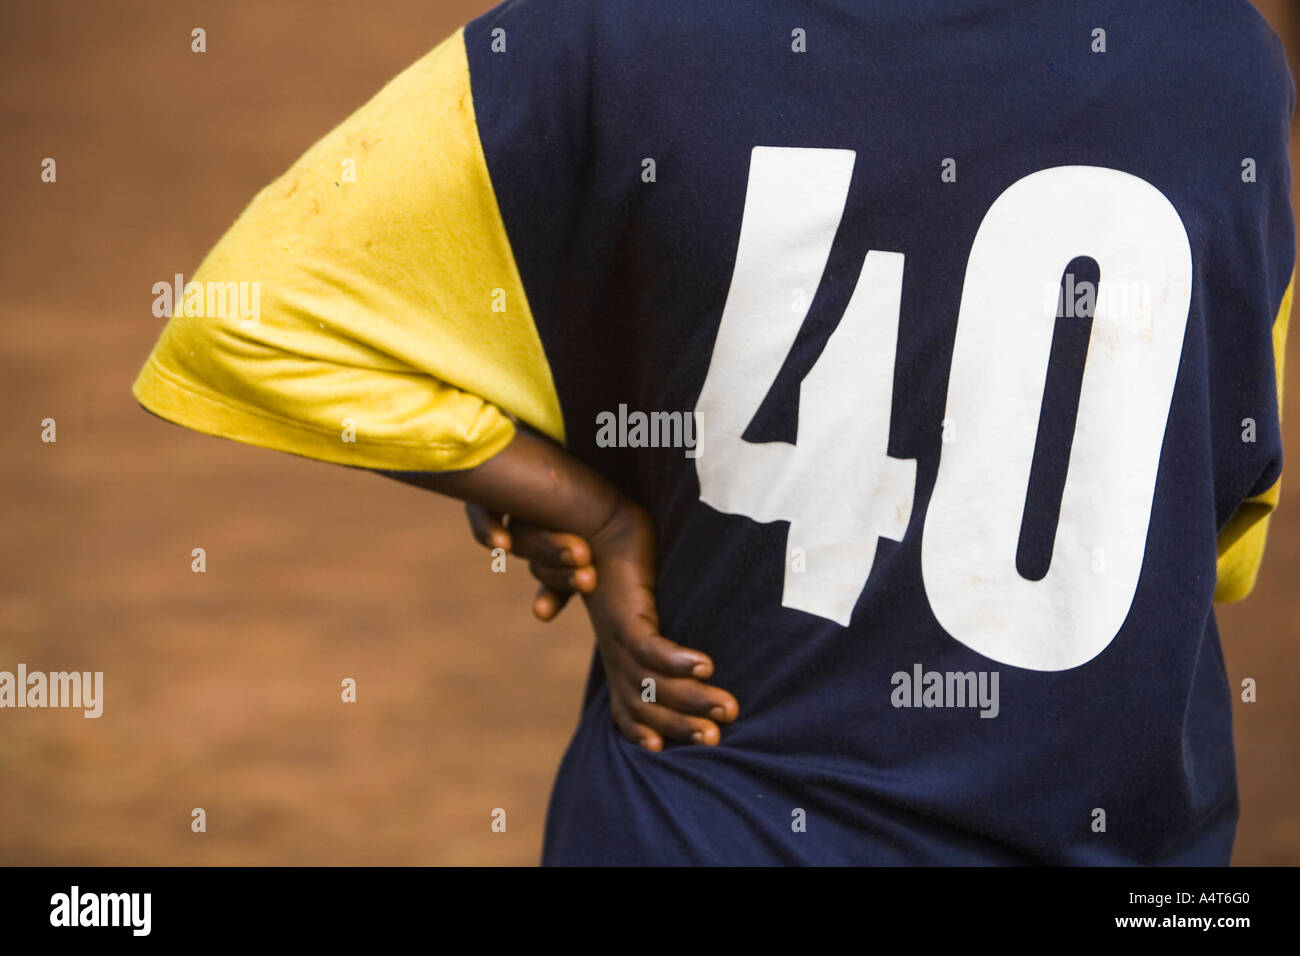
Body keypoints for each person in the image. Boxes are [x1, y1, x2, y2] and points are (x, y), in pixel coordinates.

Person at [134, 0, 1294, 864]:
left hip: (708, 818)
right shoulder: (1223, 60)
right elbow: (1222, 519)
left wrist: (579, 489)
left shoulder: (612, 33)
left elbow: (254, 320)